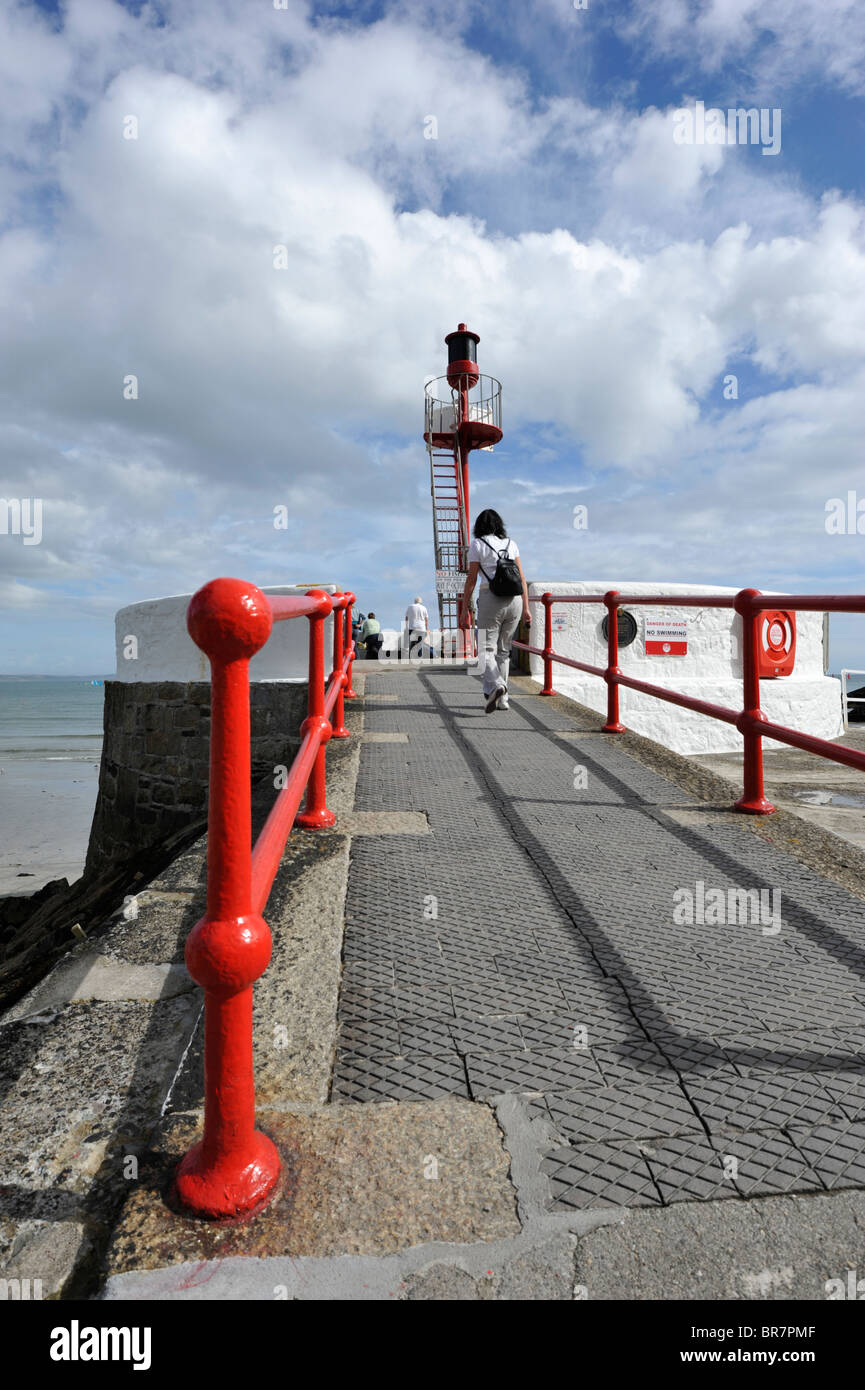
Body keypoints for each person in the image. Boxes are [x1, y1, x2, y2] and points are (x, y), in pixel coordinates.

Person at [458, 508, 531, 712]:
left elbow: (471, 579)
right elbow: (522, 578)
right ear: (500, 524)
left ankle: (498, 685)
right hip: (515, 600)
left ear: (478, 526)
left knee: (485, 650)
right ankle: (503, 699)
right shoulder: (511, 544)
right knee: (504, 651)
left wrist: (465, 610)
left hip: (492, 598)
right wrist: (526, 608)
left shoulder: (478, 544)